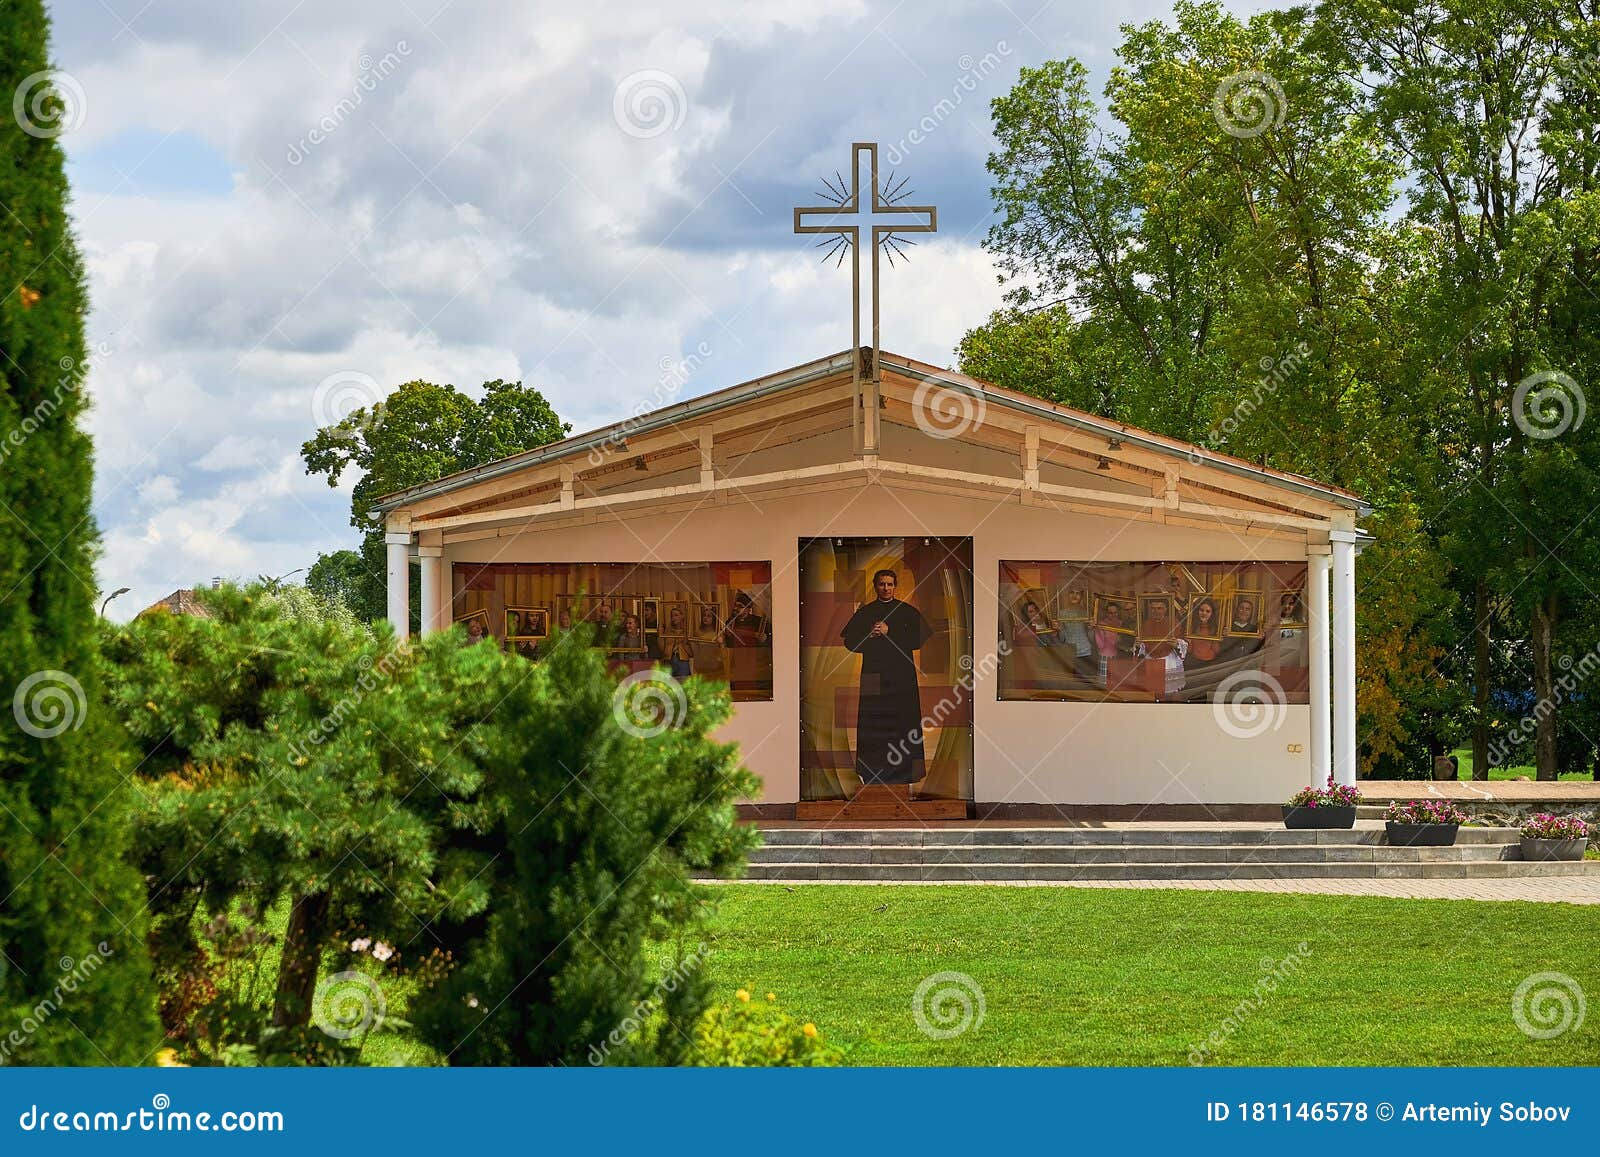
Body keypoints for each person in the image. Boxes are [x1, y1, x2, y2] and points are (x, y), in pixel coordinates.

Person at [840, 569, 933, 786]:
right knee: (874, 724)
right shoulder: (866, 613)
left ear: (895, 586)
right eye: (882, 584)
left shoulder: (907, 611)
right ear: (875, 586)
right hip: (873, 677)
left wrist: (891, 631)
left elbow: (919, 639)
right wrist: (868, 636)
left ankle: (904, 773)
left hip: (902, 677)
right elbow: (850, 643)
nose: (886, 588)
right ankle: (874, 773)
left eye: (890, 584)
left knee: (904, 722)